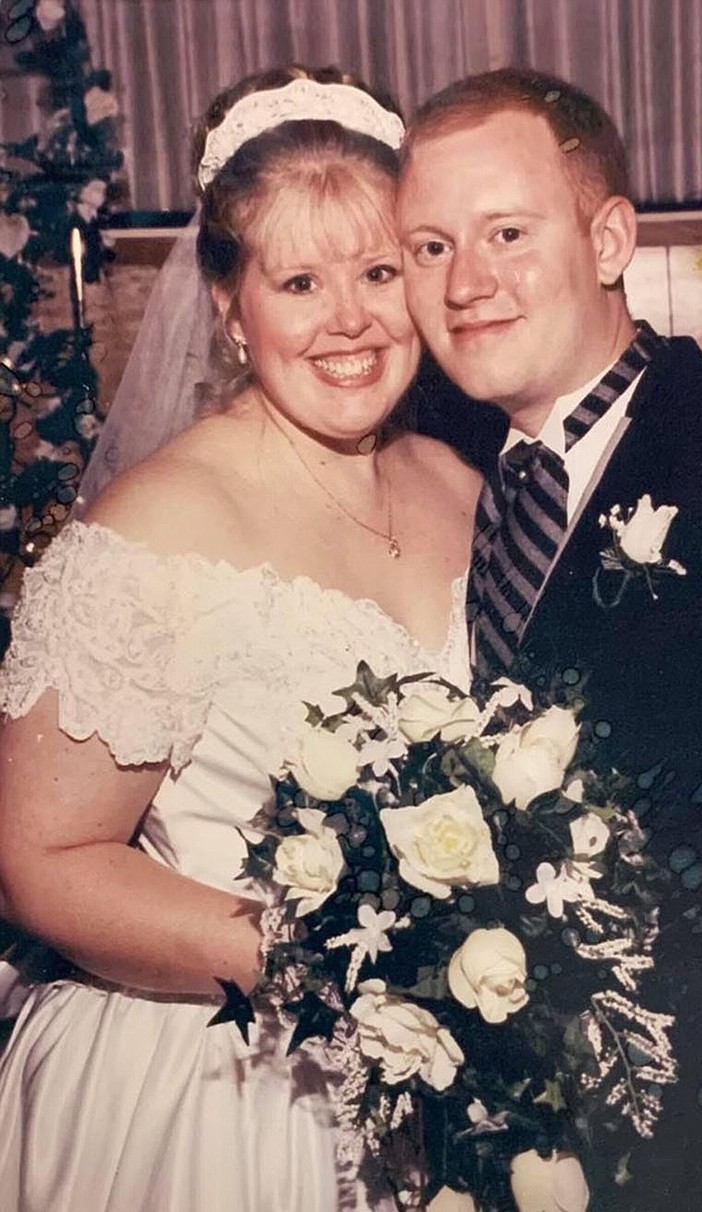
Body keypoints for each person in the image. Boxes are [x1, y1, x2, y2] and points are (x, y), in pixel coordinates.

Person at [0, 65, 482, 1212]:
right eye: (299, 280)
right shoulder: (149, 533)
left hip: (440, 1078)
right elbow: (39, 863)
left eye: (378, 272)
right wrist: (328, 956)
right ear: (228, 303)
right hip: (213, 1090)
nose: (349, 320)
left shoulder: (462, 485)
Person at [398, 68, 702, 1212]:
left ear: (609, 239)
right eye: (428, 247)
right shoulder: (435, 482)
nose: (465, 284)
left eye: (506, 234)